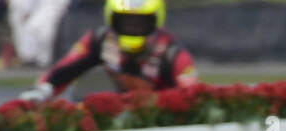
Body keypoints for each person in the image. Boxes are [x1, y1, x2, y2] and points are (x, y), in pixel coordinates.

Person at [20, 0, 197, 101]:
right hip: (117, 114)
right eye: (126, 22)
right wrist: (42, 90)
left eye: (139, 23)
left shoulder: (171, 53)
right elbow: (63, 71)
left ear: (155, 21)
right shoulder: (100, 40)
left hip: (162, 123)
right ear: (112, 20)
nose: (133, 28)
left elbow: (194, 95)